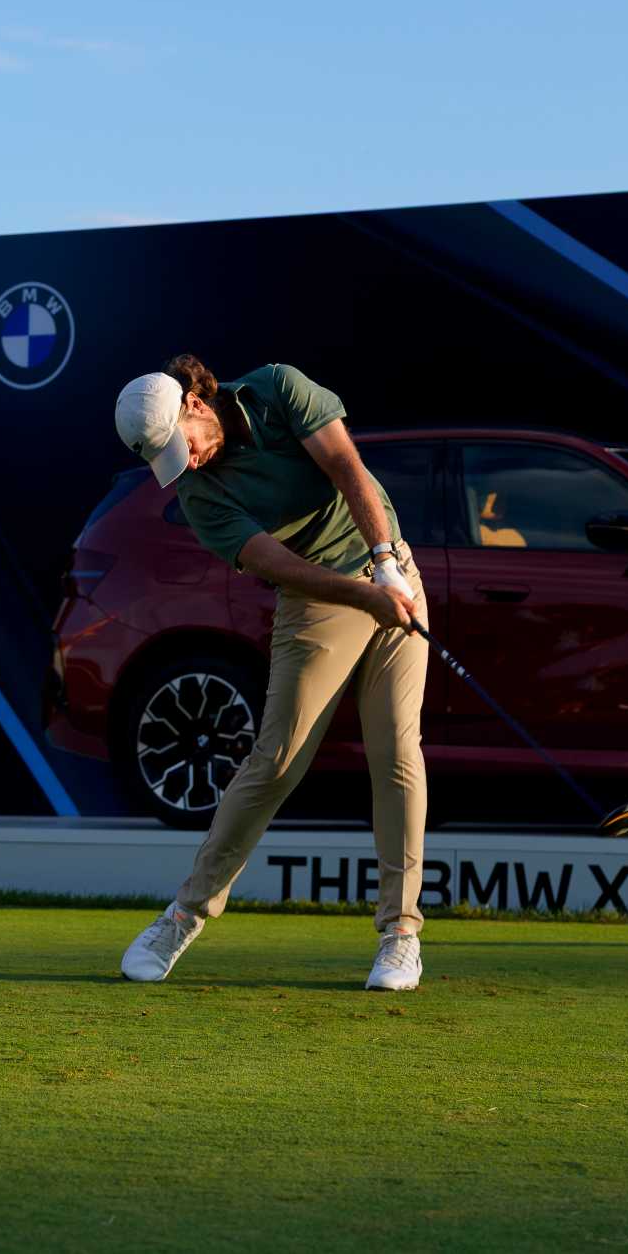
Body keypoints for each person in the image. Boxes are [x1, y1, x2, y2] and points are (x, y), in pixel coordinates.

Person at [111, 356, 430, 990]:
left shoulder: (279, 388)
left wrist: (386, 562)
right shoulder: (200, 493)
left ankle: (400, 934)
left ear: (196, 406)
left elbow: (346, 468)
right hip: (319, 599)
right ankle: (184, 915)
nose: (187, 462)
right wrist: (362, 592)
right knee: (277, 759)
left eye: (184, 446)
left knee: (396, 748)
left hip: (389, 564)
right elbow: (276, 563)